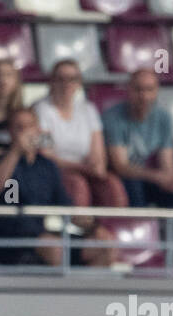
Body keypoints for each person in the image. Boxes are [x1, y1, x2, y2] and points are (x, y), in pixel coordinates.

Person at [0, 107, 114, 267]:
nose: (25, 132)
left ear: (38, 129)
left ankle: (84, 291)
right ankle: (59, 291)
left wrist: (94, 228)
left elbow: (65, 207)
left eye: (29, 126)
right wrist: (15, 151)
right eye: (19, 127)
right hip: (11, 239)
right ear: (10, 132)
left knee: (105, 245)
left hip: (42, 236)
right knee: (55, 247)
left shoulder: (47, 167)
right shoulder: (1, 162)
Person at [32, 59, 128, 210]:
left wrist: (95, 166)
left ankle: (114, 231)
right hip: (55, 172)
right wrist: (82, 167)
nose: (66, 84)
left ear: (79, 83)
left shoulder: (88, 110)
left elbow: (98, 153)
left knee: (113, 186)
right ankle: (86, 231)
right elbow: (46, 156)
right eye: (61, 79)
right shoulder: (40, 110)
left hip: (86, 169)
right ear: (52, 82)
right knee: (77, 186)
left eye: (72, 79)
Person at [103, 69, 173, 209]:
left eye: (149, 89)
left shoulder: (163, 118)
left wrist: (171, 178)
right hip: (121, 177)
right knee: (132, 186)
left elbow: (167, 163)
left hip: (147, 176)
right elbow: (121, 166)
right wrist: (158, 177)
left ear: (156, 91)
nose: (144, 96)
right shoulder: (113, 118)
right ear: (129, 90)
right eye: (139, 89)